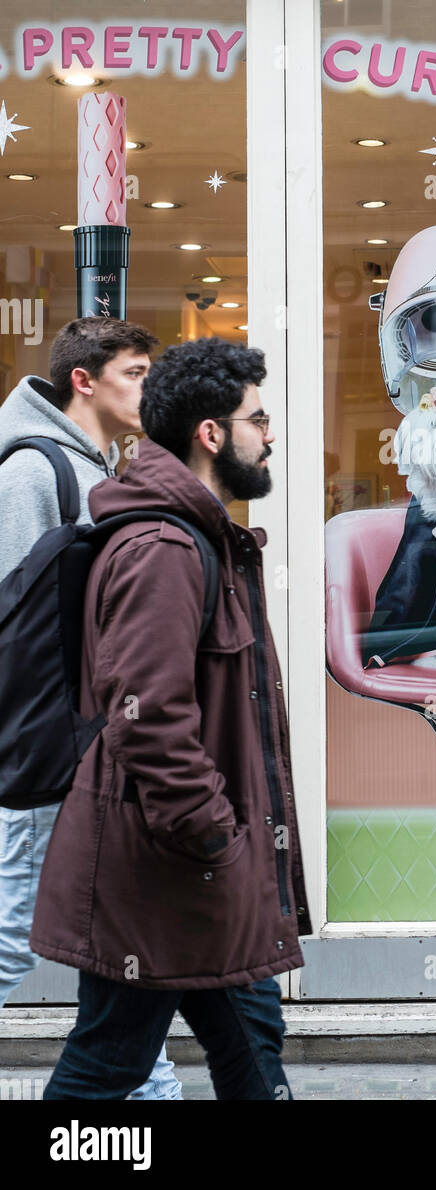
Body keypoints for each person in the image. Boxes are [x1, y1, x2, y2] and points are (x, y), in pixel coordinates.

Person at [31, 337, 310, 1101]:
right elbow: (146, 714)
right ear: (211, 434)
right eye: (258, 418)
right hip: (167, 869)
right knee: (108, 1064)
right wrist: (213, 829)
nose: (272, 434)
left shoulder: (195, 534)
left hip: (203, 870)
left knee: (254, 1048)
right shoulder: (162, 547)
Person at [0, 316, 183, 1101]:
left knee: (120, 939)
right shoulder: (34, 474)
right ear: (85, 380)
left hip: (85, 747)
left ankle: (150, 1094)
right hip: (46, 753)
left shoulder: (89, 466)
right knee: (11, 933)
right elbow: (13, 625)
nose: (149, 388)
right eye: (136, 372)